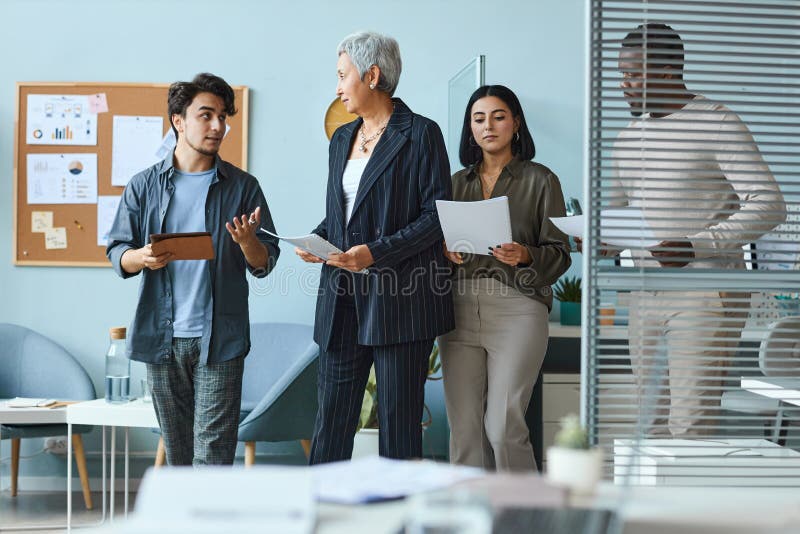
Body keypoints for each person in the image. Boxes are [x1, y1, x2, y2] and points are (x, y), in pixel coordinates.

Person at [578, 23, 785, 436]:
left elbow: (769, 203)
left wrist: (696, 246)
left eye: (634, 74)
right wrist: (598, 242)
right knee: (649, 426)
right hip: (643, 295)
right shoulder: (627, 138)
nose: (624, 84)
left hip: (704, 293)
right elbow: (617, 219)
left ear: (669, 70)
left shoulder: (717, 122)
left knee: (689, 425)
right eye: (621, 74)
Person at [107, 73, 280, 465]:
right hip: (161, 339)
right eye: (206, 115)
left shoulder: (243, 187)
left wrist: (246, 242)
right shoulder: (143, 186)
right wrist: (143, 257)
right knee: (180, 457)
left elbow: (265, 262)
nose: (218, 126)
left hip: (220, 338)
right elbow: (117, 250)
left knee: (212, 456)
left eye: (223, 116)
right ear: (179, 120)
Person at [297, 31, 454, 463]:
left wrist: (374, 253)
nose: (337, 86)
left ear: (372, 75)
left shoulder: (421, 134)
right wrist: (317, 241)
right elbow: (340, 214)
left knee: (400, 430)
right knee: (330, 424)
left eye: (343, 75)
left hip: (400, 301)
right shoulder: (340, 140)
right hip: (341, 299)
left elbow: (436, 217)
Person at [438, 85, 571, 471]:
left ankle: (526, 517)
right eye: (478, 119)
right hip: (458, 307)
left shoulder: (542, 180)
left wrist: (526, 253)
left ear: (515, 123)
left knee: (502, 427)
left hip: (517, 309)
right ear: (470, 130)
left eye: (498, 116)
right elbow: (433, 246)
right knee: (464, 434)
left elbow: (561, 253)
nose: (488, 126)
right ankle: (471, 521)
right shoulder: (453, 184)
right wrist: (445, 252)